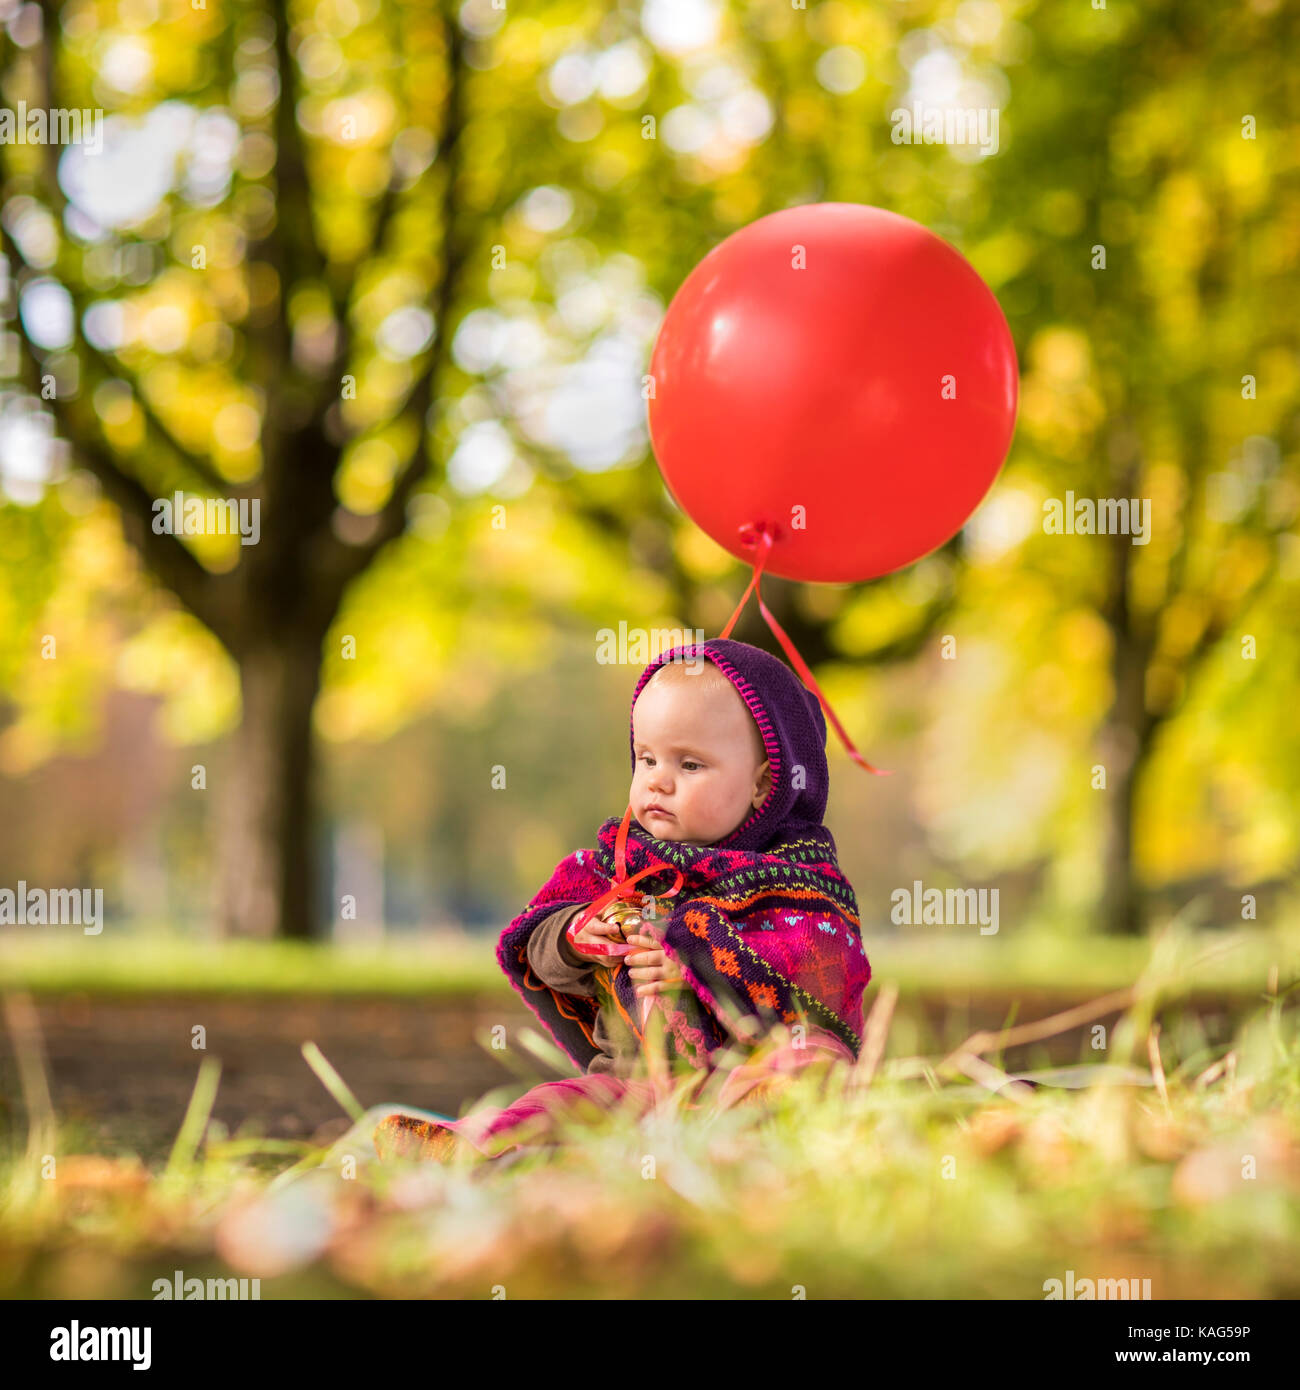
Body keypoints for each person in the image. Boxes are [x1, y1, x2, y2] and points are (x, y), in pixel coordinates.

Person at [368, 637, 872, 1164]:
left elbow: (818, 981)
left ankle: (771, 1127)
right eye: (647, 757)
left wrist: (692, 959)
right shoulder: (618, 868)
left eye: (691, 765)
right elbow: (536, 940)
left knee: (810, 1059)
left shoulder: (797, 877)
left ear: (765, 784)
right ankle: (470, 1144)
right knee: (565, 1103)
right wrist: (574, 939)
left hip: (745, 1069)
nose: (659, 780)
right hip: (636, 1081)